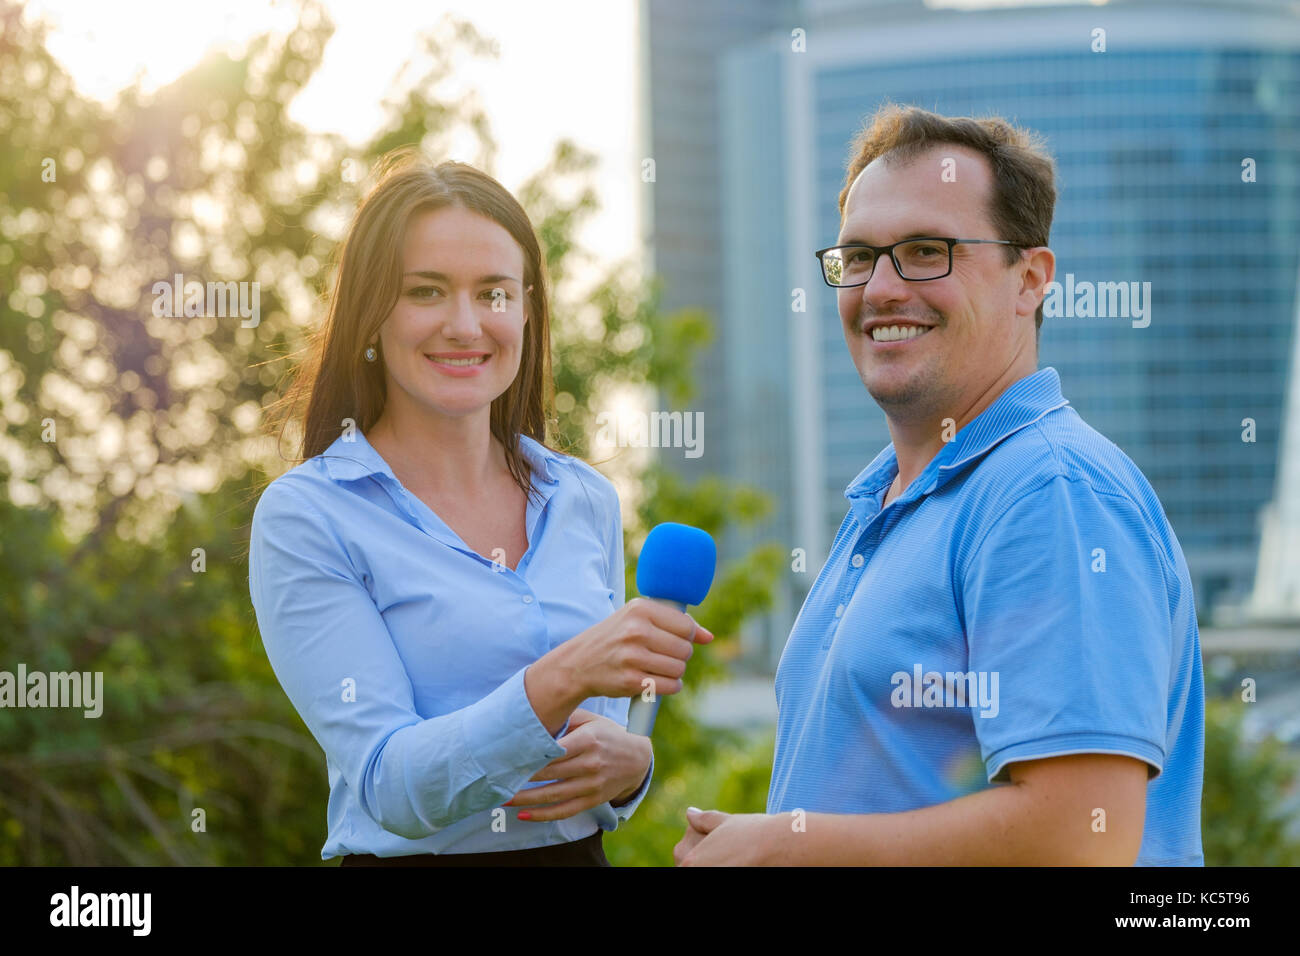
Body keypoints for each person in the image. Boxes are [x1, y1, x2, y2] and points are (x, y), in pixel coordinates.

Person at [674, 104, 1204, 866]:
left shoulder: (1050, 491)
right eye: (858, 257)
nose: (881, 288)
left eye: (926, 251)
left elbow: (1084, 837)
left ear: (1030, 279)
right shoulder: (885, 501)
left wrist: (789, 847)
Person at [249, 150, 712, 865]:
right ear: (371, 314)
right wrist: (565, 674)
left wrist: (632, 769)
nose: (466, 325)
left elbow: (600, 745)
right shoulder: (310, 517)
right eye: (426, 291)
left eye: (494, 293)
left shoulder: (585, 498)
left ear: (526, 308)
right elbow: (390, 786)